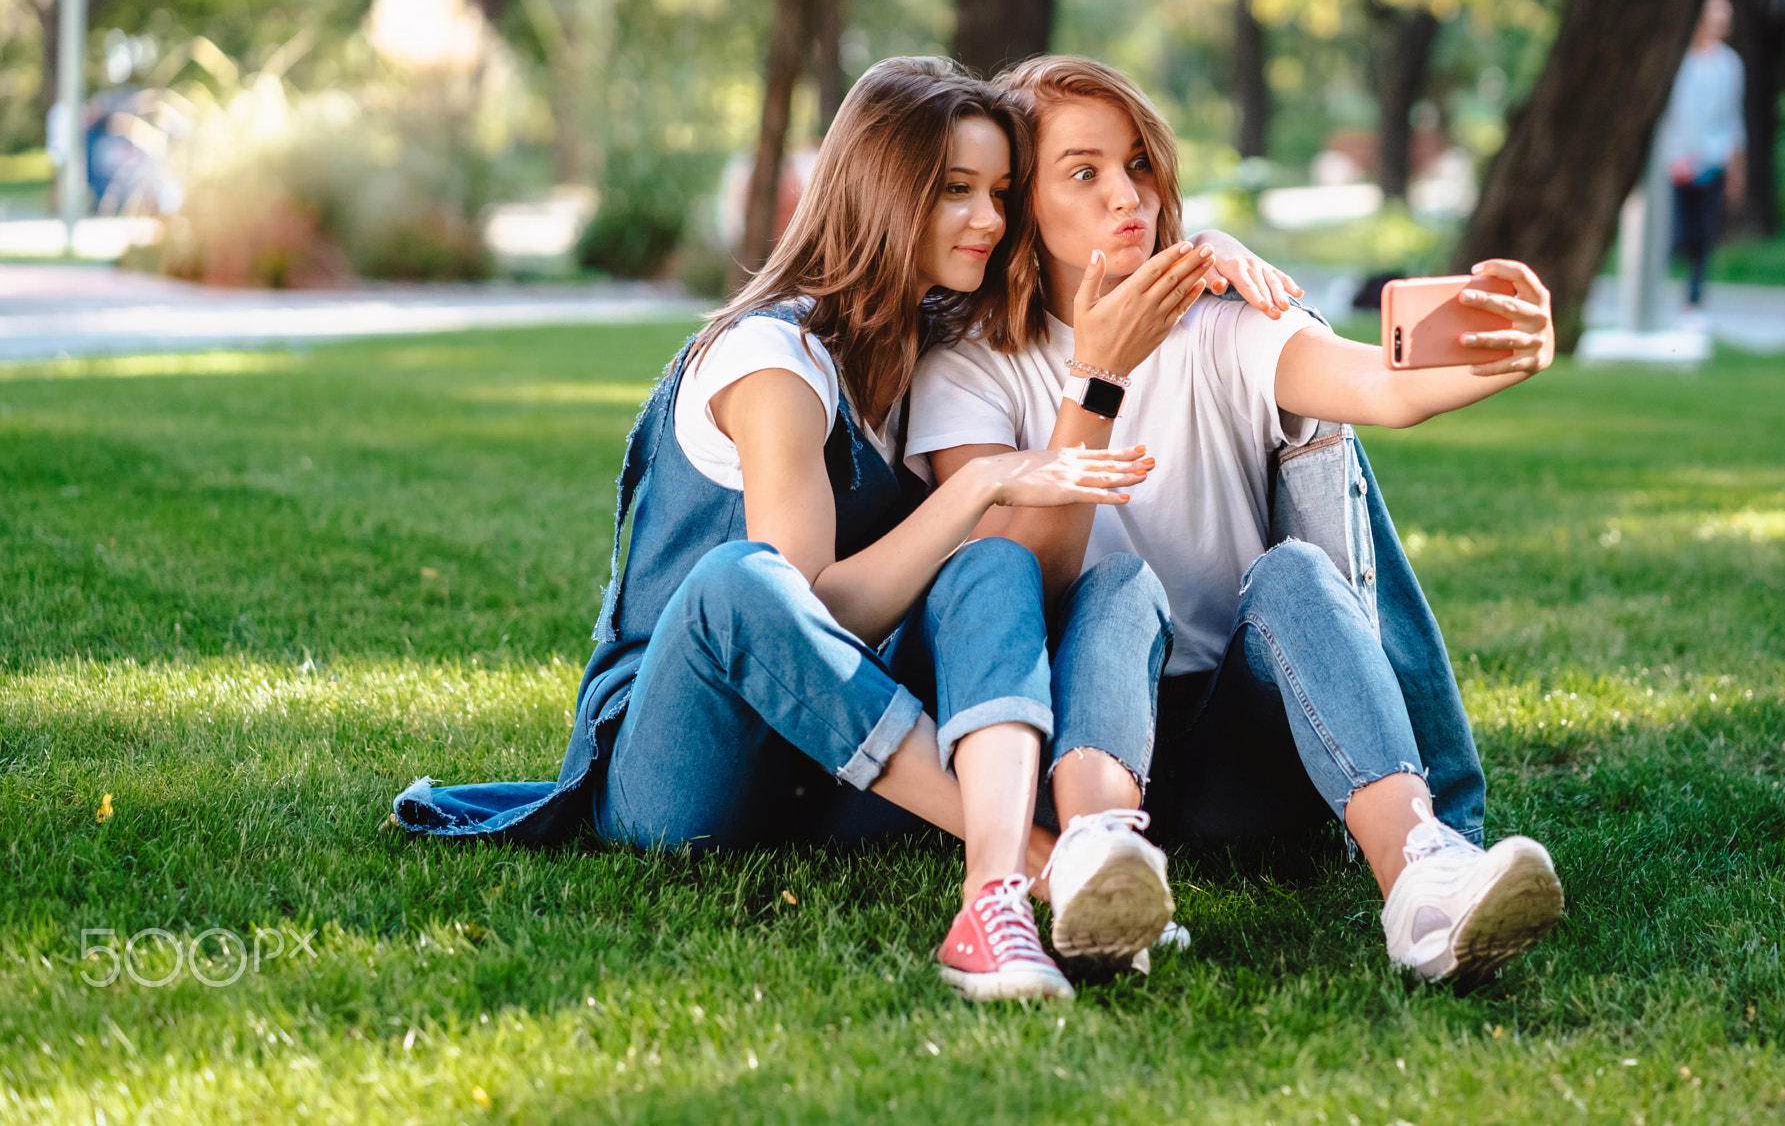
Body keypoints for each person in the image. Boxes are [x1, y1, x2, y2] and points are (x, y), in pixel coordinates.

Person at [392, 57, 1204, 1003]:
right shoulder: (773, 360)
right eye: (954, 191)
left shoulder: (917, 361)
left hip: (828, 777)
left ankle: (997, 893)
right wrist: (978, 482)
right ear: (881, 192)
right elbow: (809, 615)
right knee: (742, 581)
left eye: (999, 192)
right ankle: (1037, 856)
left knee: (1006, 566)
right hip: (685, 771)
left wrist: (1223, 264)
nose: (989, 219)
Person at [908, 55, 1566, 985]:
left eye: (1138, 163)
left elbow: (1377, 384)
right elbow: (1012, 585)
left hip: (1248, 742)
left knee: (1295, 570)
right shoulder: (968, 367)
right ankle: (1095, 863)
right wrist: (1095, 382)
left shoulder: (1219, 322)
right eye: (1083, 172)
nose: (1126, 195)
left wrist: (1505, 351)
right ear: (1021, 205)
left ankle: (1423, 882)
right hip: (1078, 749)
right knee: (1113, 580)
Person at [1664, 0, 1747, 314]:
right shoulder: (1678, 60)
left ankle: (1693, 301)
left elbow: (1732, 120)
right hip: (1676, 162)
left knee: (1702, 236)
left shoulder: (1729, 64)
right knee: (1678, 234)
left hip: (1712, 161)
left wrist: (1737, 169)